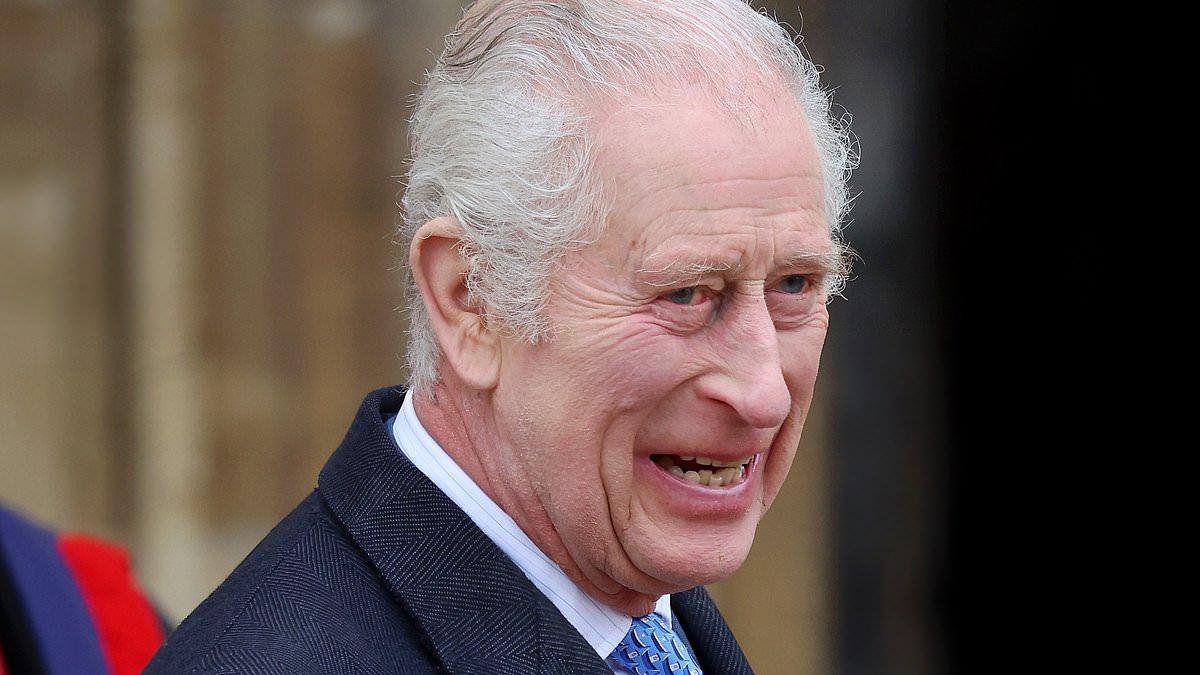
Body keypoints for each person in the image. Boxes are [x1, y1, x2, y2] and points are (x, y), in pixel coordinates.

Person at [146, 1, 853, 672]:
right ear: (470, 299)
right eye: (688, 293)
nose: (763, 393)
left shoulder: (637, 601)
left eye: (795, 285)